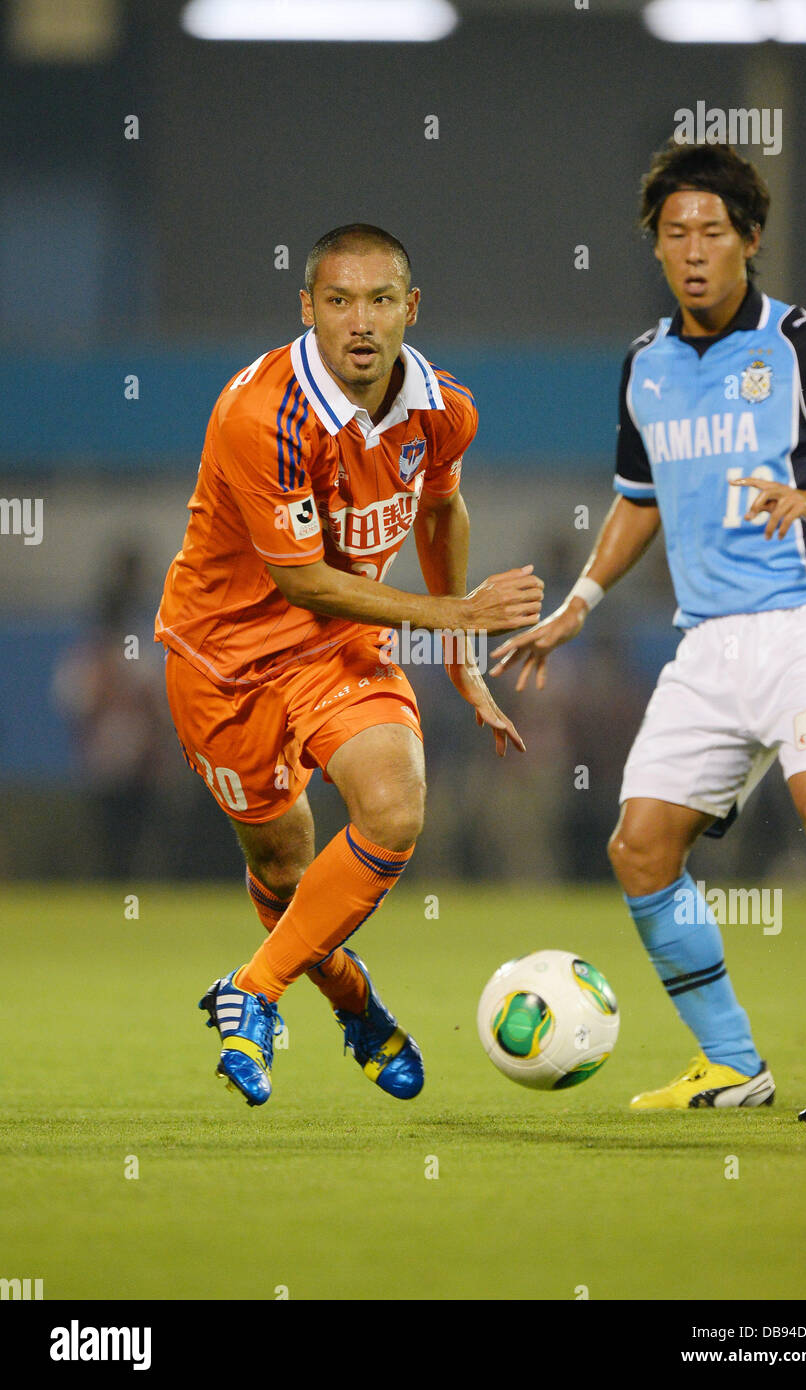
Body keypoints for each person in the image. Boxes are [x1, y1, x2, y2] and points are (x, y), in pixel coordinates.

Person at [491, 141, 806, 1120]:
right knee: (639, 847)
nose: (692, 249)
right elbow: (636, 501)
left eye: (710, 230)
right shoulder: (643, 366)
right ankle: (731, 1064)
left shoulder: (801, 347)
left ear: (749, 239)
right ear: (654, 249)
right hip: (707, 646)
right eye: (673, 234)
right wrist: (576, 603)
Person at [155, 223, 543, 1107]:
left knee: (394, 806)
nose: (358, 321)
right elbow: (300, 579)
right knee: (287, 869)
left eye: (378, 300)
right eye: (338, 301)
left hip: (337, 651)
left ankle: (251, 992)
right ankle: (358, 1007)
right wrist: (450, 612)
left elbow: (442, 514)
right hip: (223, 660)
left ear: (411, 308)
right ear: (309, 310)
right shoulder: (263, 414)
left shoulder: (445, 409)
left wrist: (460, 659)